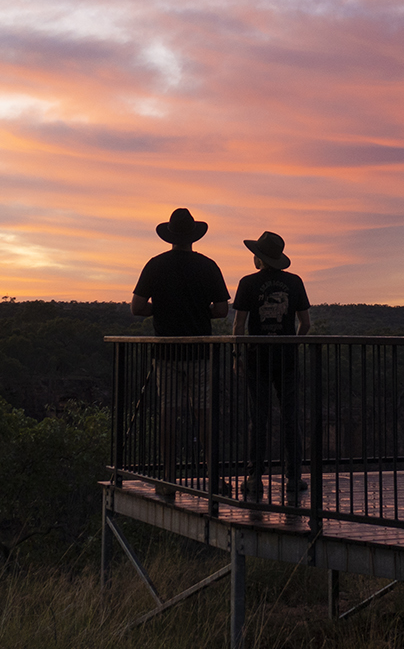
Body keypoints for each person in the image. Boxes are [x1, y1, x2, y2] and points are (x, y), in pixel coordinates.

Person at [132, 208, 230, 498]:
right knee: (204, 415)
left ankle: (168, 478)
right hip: (200, 351)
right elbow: (223, 310)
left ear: (170, 237)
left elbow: (137, 308)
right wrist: (200, 312)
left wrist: (160, 310)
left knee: (168, 413)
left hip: (166, 352)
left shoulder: (155, 265)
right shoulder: (208, 266)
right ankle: (214, 478)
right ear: (193, 237)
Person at [231, 231, 310, 504]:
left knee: (258, 418)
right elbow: (306, 324)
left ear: (259, 258)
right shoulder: (295, 282)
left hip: (257, 359)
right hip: (286, 360)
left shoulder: (248, 283)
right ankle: (294, 477)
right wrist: (292, 344)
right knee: (291, 417)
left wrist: (236, 355)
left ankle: (254, 478)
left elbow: (239, 325)